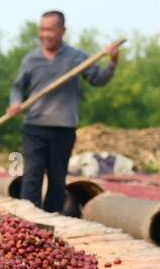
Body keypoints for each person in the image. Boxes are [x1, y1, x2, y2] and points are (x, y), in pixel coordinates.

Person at [8, 11, 120, 214]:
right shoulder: (31, 60)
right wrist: (16, 103)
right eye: (42, 29)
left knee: (57, 179)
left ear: (63, 30)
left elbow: (98, 79)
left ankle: (53, 220)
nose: (46, 34)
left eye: (50, 29)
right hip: (35, 126)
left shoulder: (76, 57)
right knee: (32, 175)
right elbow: (18, 88)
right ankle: (28, 220)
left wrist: (112, 63)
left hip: (63, 127)